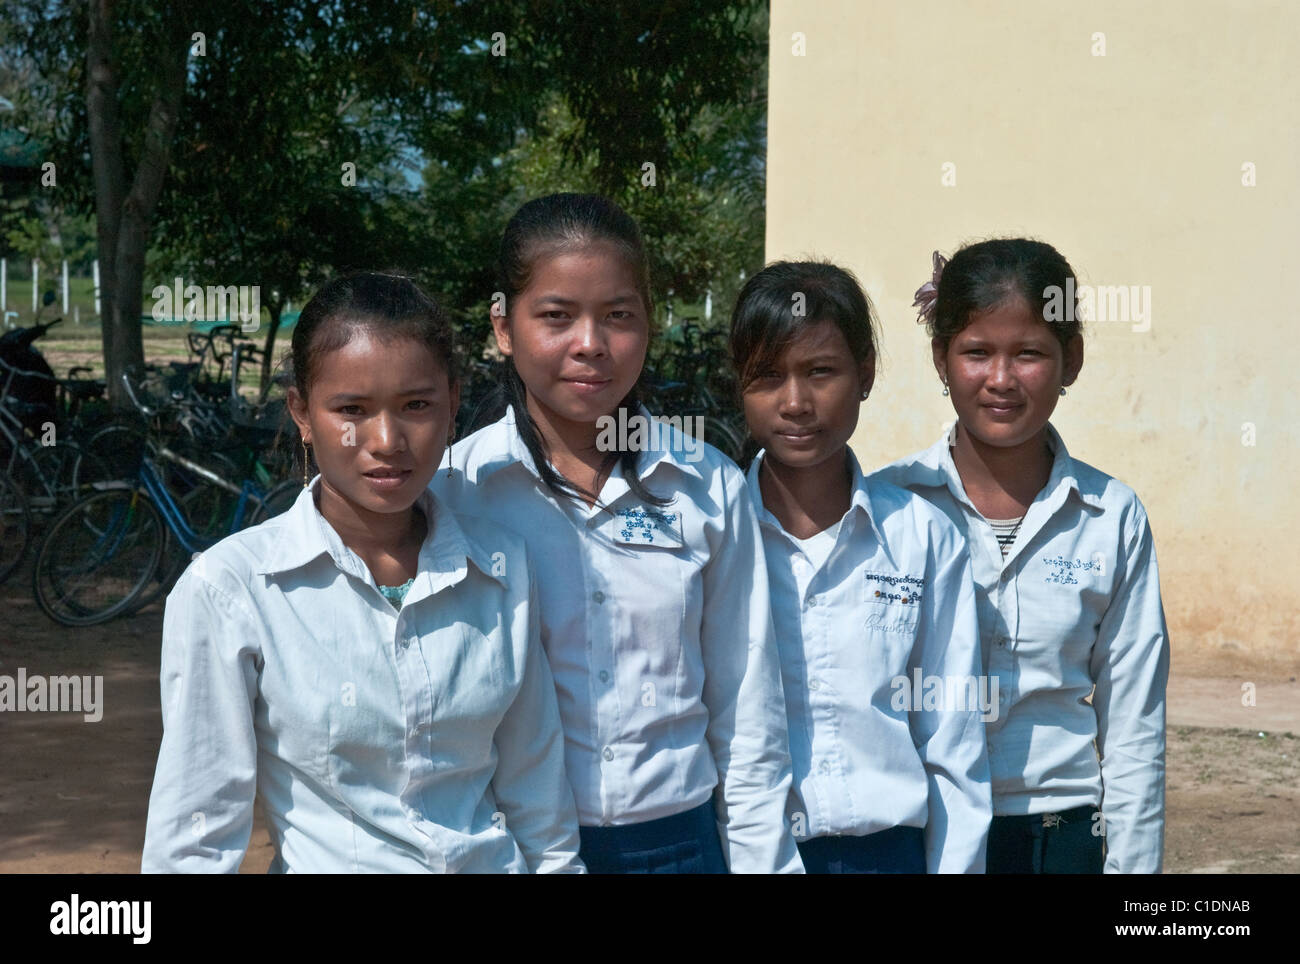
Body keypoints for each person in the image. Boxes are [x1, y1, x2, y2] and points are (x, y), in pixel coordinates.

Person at [142, 272, 582, 873]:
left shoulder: (502, 567)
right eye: (351, 409)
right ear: (302, 412)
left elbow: (539, 799)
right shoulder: (231, 590)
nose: (386, 440)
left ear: (453, 402)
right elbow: (196, 837)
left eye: (417, 405)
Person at [433, 193, 802, 874]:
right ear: (503, 327)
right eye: (555, 316)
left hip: (679, 848)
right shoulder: (455, 492)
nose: (590, 344)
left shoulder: (706, 487)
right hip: (508, 849)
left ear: (650, 325)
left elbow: (747, 708)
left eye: (618, 316)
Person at [873, 240, 1169, 873]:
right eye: (976, 352)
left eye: (1029, 353)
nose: (1001, 380)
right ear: (941, 359)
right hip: (917, 827)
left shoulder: (1112, 516)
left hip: (1060, 835)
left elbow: (1134, 721)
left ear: (1072, 361)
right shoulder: (886, 507)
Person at [729, 260, 991, 874]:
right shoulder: (713, 538)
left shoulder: (923, 539)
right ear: (738, 384)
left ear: (865, 373)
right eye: (767, 376)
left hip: (890, 854)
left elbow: (952, 740)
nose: (795, 403)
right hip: (749, 854)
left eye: (821, 372)